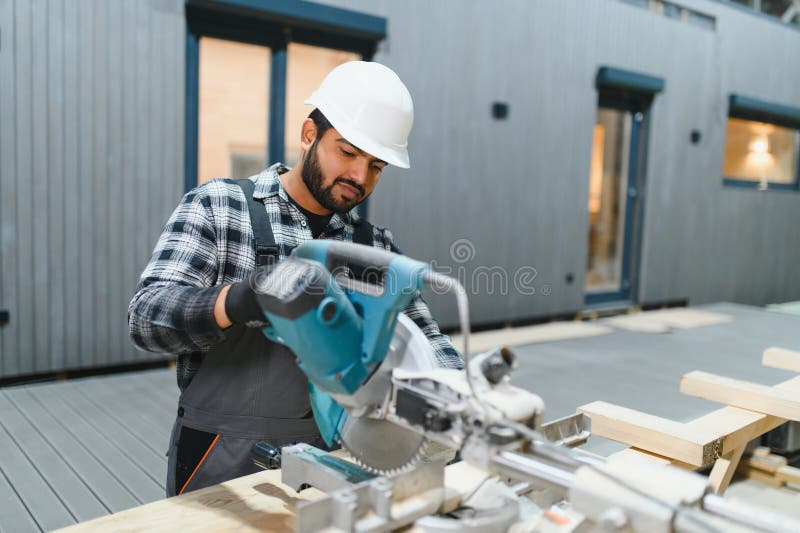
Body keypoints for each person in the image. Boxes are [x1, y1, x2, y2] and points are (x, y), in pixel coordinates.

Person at [127, 61, 463, 497]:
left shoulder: (372, 247)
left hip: (334, 461)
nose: (360, 177)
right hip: (219, 461)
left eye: (376, 165)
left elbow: (425, 344)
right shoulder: (220, 207)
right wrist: (237, 300)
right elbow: (146, 321)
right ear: (309, 135)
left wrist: (460, 402)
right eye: (347, 152)